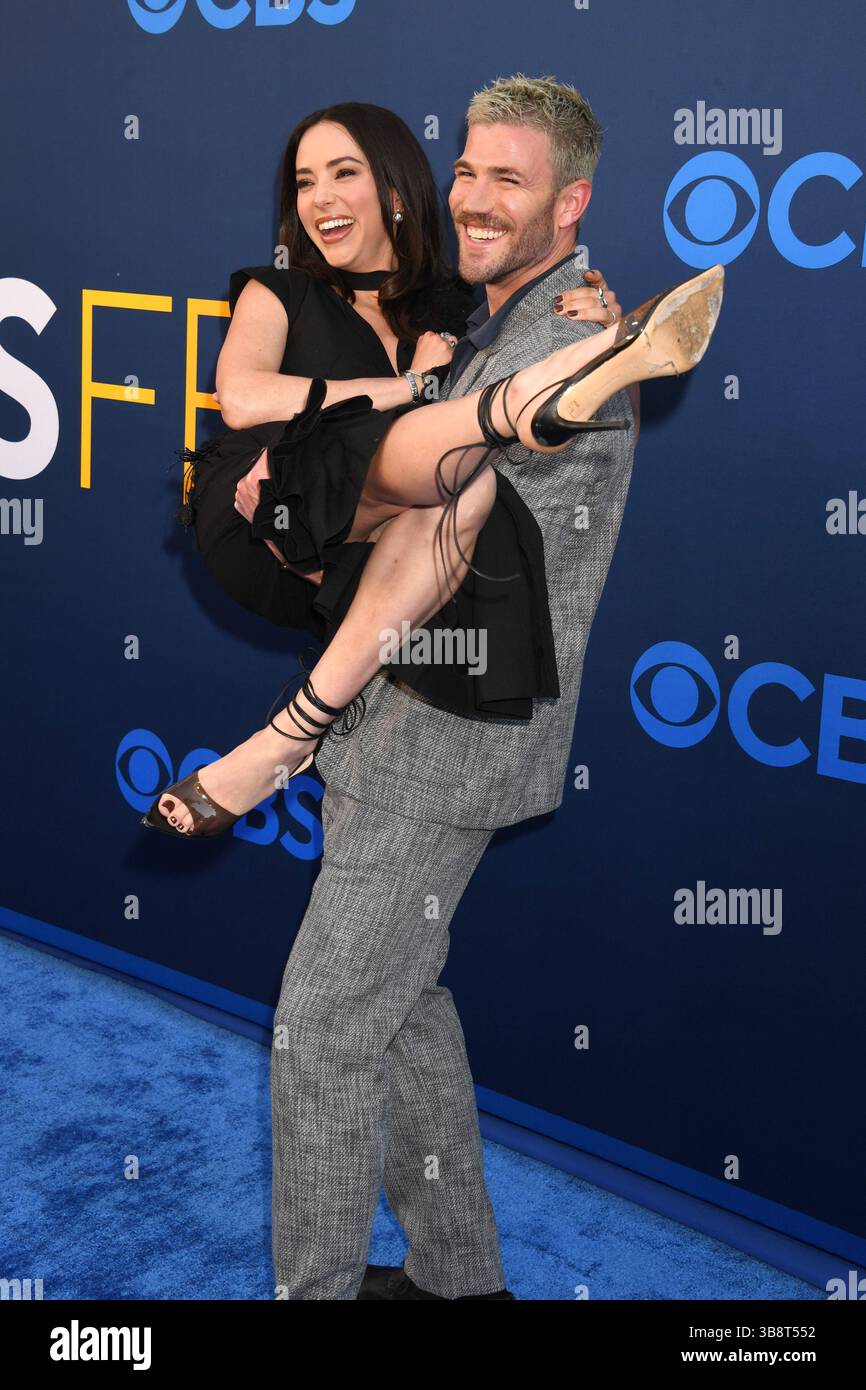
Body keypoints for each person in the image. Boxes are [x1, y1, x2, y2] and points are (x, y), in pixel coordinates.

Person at [154, 72, 724, 1302]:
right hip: (384, 699)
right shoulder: (491, 314)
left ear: (570, 205)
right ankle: (463, 1282)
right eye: (463, 170)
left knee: (322, 1030)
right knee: (400, 1004)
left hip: (445, 724)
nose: (469, 197)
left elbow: (448, 539)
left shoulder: (565, 325)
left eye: (505, 180)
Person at [141, 99, 625, 835]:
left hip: (369, 555)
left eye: (343, 174)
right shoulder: (281, 291)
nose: (319, 200)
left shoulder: (450, 305)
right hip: (264, 506)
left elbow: (532, 290)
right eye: (304, 183)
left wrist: (597, 314)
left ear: (396, 191)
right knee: (435, 448)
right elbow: (241, 398)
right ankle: (513, 405)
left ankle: (293, 732)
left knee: (472, 486)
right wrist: (404, 386)